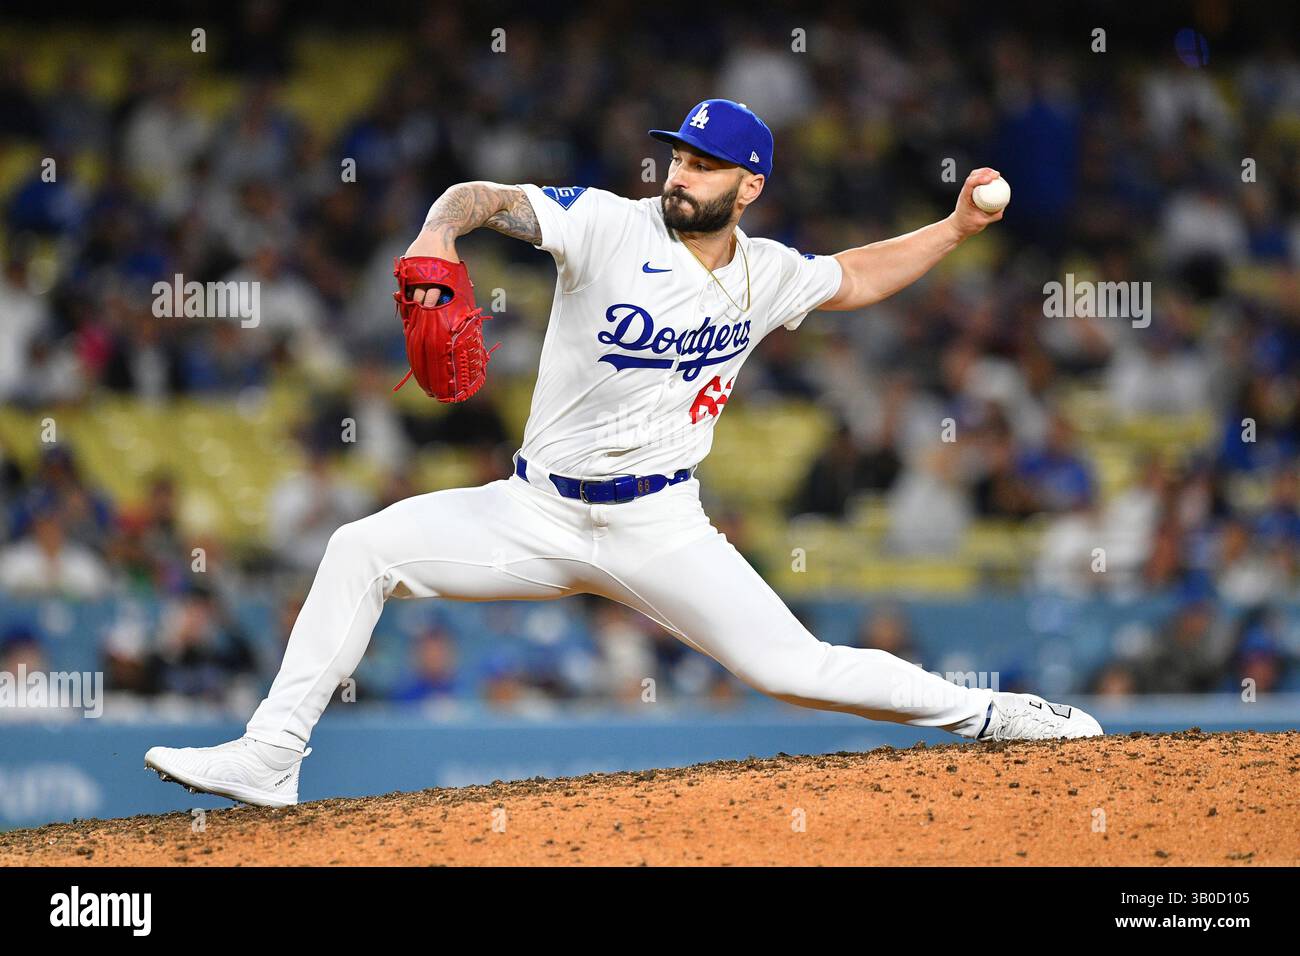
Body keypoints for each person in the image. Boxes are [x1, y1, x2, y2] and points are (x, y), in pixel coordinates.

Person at [146, 99, 1101, 808]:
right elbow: (489, 197)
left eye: (705, 164)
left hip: (659, 524)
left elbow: (853, 277)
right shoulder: (607, 223)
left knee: (794, 670)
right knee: (362, 546)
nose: (680, 174)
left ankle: (995, 717)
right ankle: (274, 755)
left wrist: (955, 229)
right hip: (534, 513)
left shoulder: (766, 274)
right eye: (678, 155)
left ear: (750, 186)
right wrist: (440, 228)